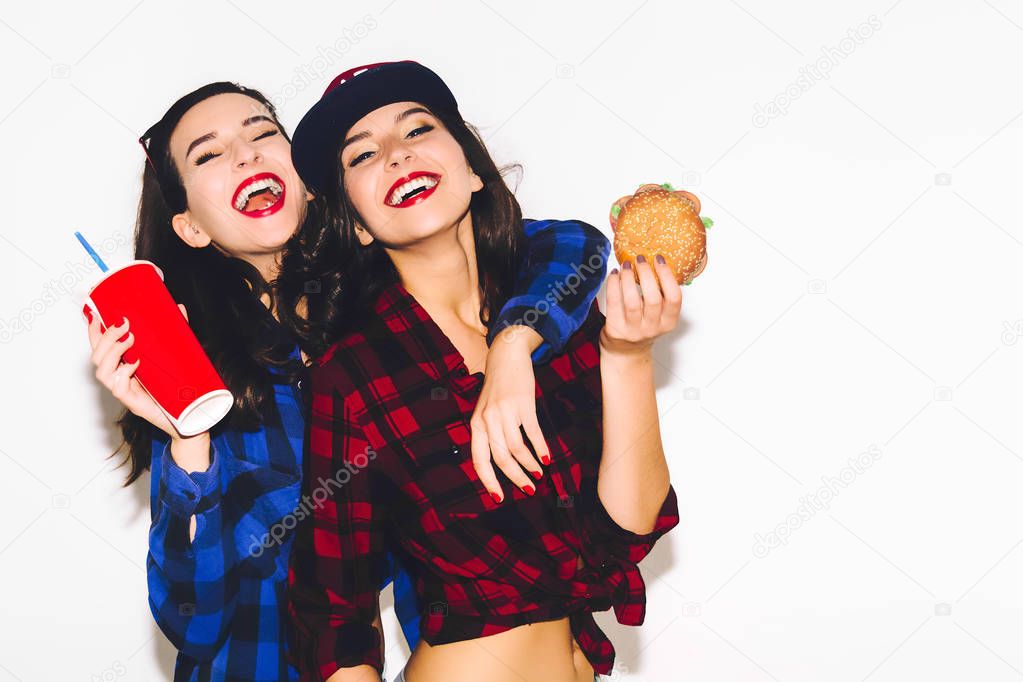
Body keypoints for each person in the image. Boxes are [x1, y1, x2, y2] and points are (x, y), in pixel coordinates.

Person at [83, 79, 610, 681]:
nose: (246, 155)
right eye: (209, 154)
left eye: (262, 134)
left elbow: (569, 245)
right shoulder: (202, 383)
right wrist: (187, 442)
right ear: (192, 228)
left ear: (308, 178)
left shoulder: (390, 315)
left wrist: (516, 342)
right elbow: (196, 623)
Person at [284, 61, 680, 682]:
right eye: (361, 156)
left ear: (470, 170)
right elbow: (334, 611)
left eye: (417, 130)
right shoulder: (354, 375)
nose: (394, 154)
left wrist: (627, 354)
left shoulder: (560, 314)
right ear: (357, 224)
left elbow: (626, 532)